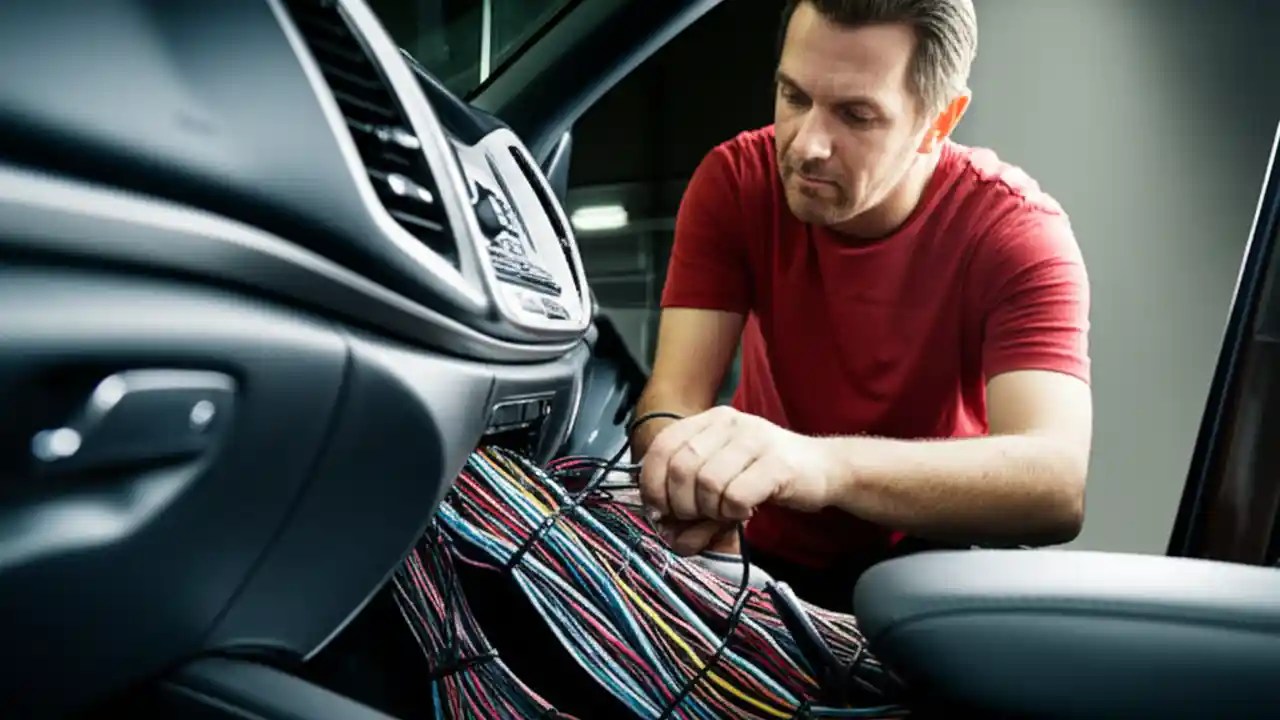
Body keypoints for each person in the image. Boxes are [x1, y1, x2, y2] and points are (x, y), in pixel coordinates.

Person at [631, 0, 1093, 611]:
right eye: (794, 97)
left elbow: (1055, 485)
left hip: (932, 568)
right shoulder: (735, 181)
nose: (808, 145)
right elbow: (673, 397)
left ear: (940, 120)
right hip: (756, 545)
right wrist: (684, 479)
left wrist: (821, 467)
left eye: (856, 114)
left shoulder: (1016, 233)